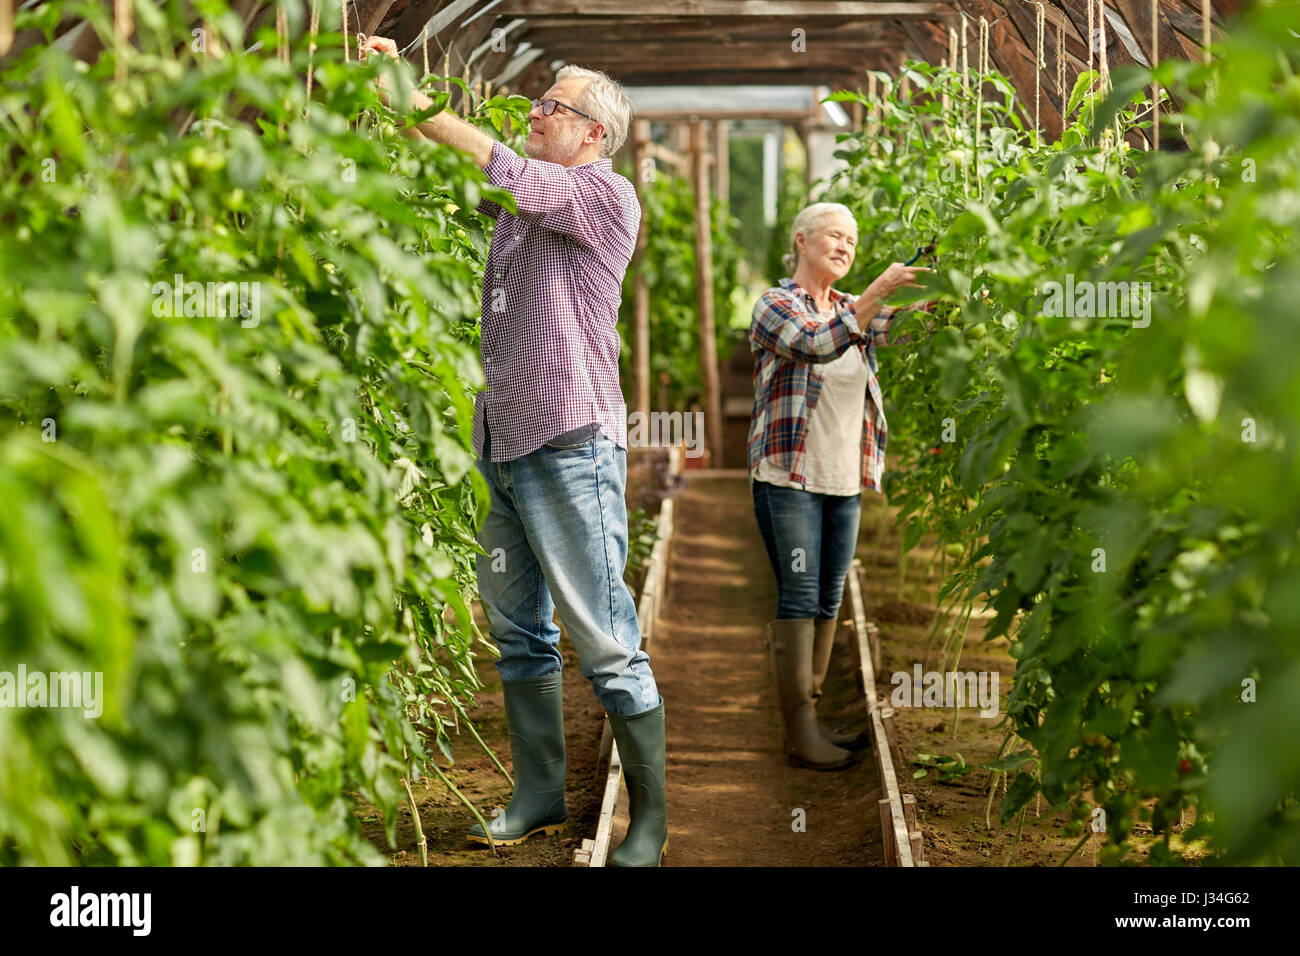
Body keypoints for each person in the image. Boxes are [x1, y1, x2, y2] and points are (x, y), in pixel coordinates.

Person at [362, 38, 666, 867]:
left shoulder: (604, 199)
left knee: (605, 640)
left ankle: (648, 825)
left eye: (552, 106)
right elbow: (483, 172)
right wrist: (393, 111)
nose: (535, 113)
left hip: (570, 442)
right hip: (502, 436)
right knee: (520, 634)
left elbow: (496, 160)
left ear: (594, 133)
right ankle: (537, 794)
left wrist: (406, 88)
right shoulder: (525, 208)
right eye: (538, 103)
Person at [748, 202, 926, 770]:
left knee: (828, 597)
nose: (846, 246)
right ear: (801, 240)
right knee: (800, 596)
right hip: (790, 478)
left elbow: (911, 327)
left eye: (853, 239)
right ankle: (800, 732)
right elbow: (819, 343)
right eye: (834, 235)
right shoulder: (775, 307)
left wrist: (958, 283)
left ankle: (814, 720)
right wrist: (880, 288)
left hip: (844, 480)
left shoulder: (856, 308)